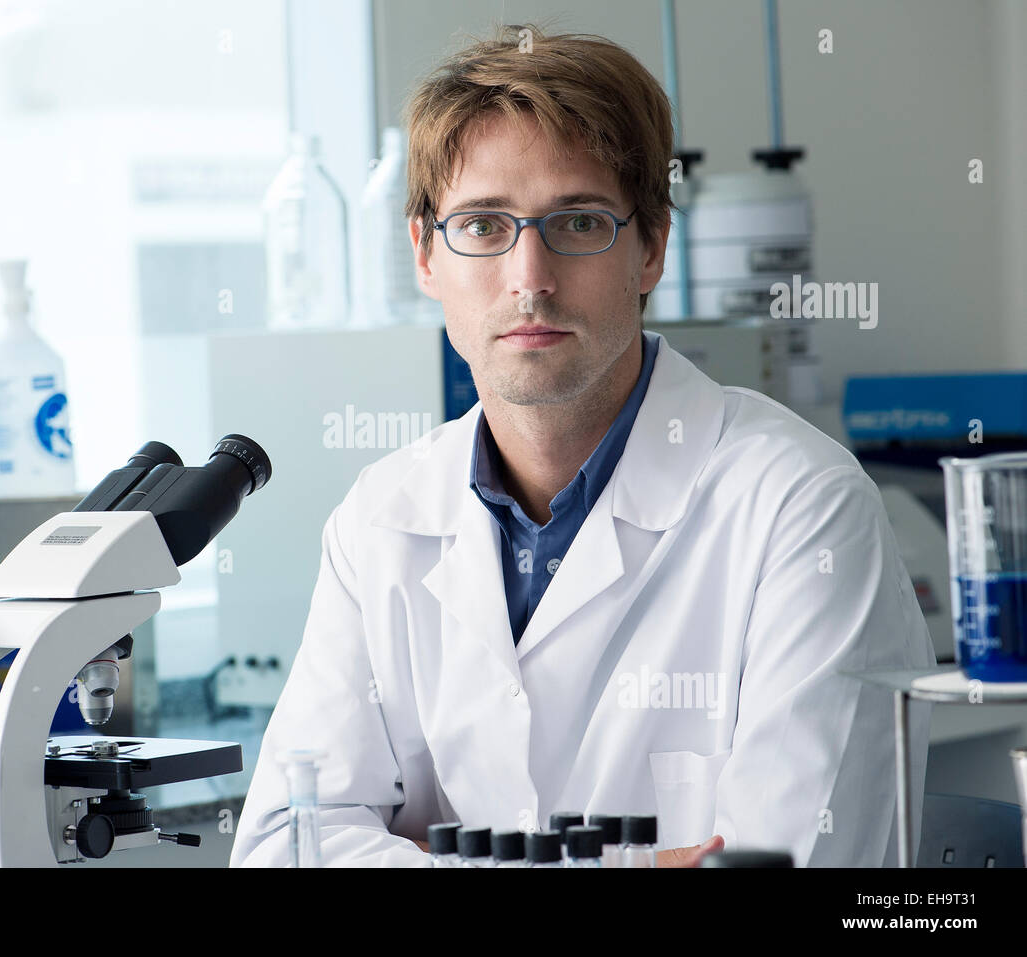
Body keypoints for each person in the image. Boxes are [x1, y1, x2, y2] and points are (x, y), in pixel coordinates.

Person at [231, 25, 933, 868]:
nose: (530, 275)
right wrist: (638, 864)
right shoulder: (379, 520)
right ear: (424, 254)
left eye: (579, 221)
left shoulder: (802, 509)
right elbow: (285, 847)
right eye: (485, 225)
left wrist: (425, 854)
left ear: (652, 248)